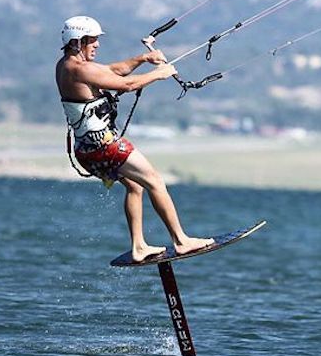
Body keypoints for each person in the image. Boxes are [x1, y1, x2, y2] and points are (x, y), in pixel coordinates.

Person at [55, 16, 214, 262]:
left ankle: (139, 247)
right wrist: (158, 74)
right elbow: (126, 84)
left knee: (135, 185)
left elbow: (113, 71)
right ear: (77, 42)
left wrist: (143, 59)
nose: (97, 44)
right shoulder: (80, 69)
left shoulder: (67, 65)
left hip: (87, 150)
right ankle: (182, 241)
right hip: (105, 146)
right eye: (92, 40)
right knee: (155, 181)